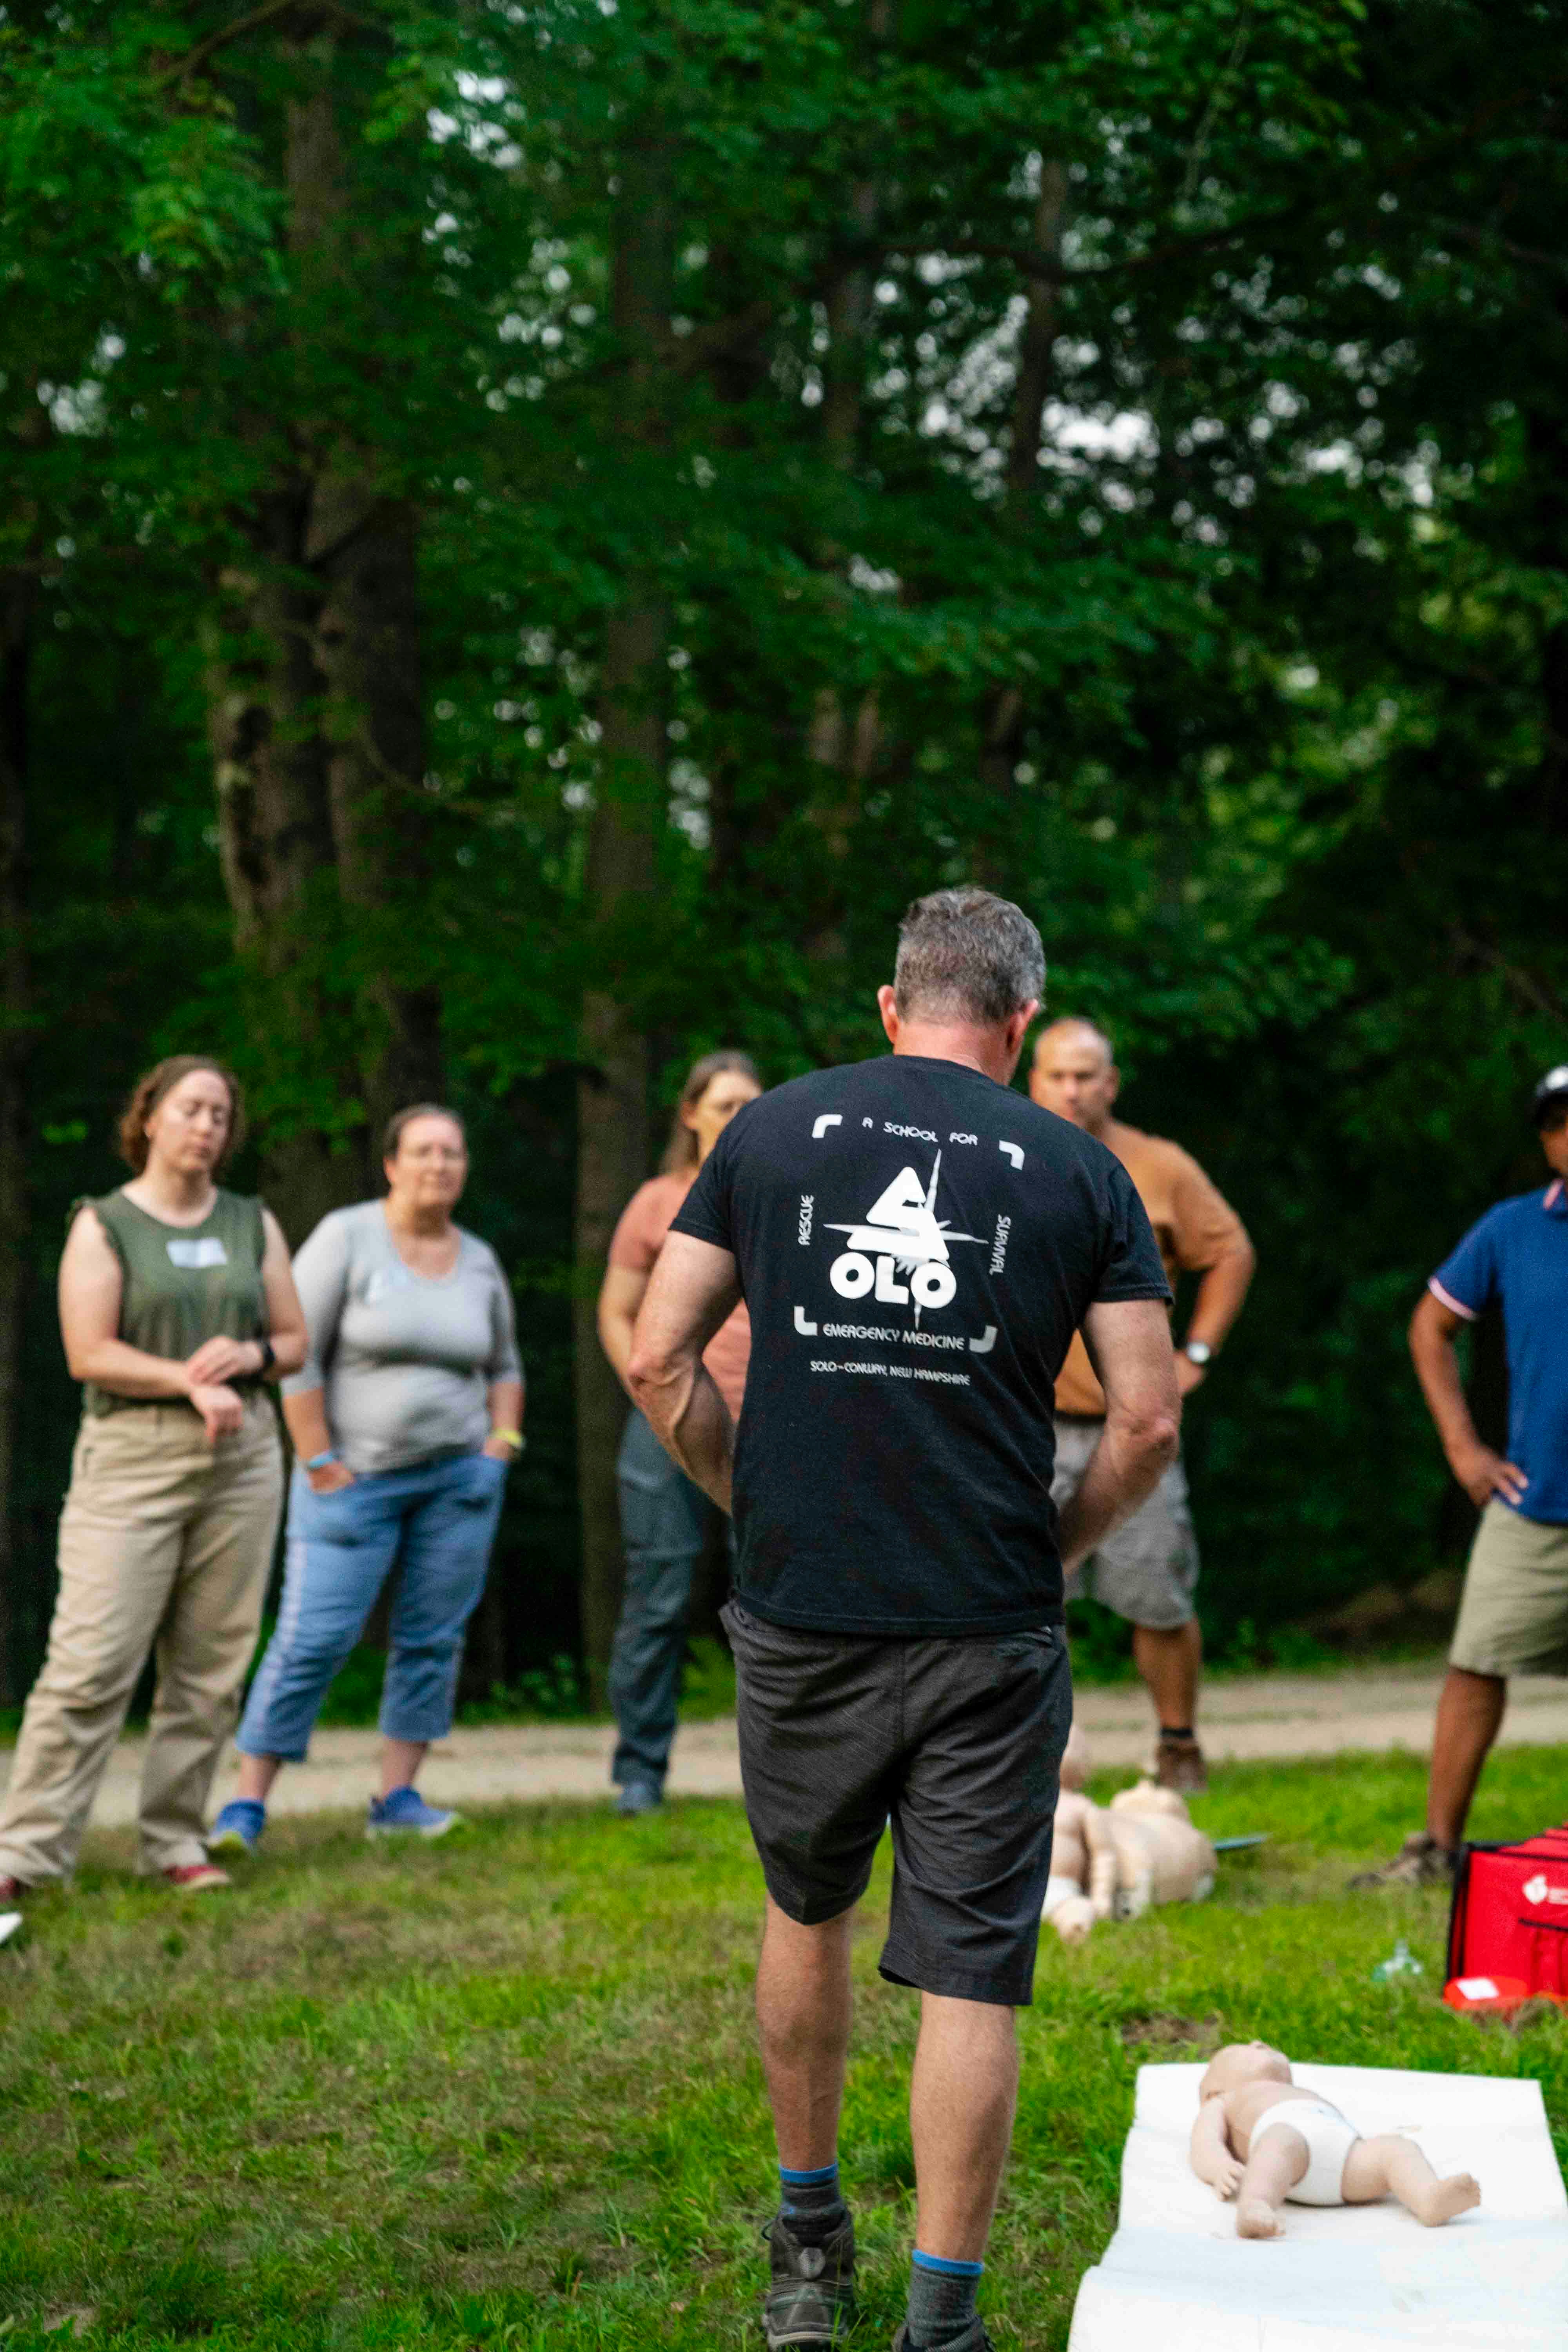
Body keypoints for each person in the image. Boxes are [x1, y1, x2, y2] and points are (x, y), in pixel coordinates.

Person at [628, 888, 1179, 2352]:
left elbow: (655, 1356)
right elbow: (1148, 1421)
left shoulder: (767, 1132)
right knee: (971, 1964)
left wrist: (751, 1499)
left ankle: (809, 2250)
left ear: (891, 1007)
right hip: (991, 1624)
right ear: (1016, 1025)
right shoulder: (1081, 1170)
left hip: (806, 1603)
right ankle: (944, 2323)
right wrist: (1055, 1545)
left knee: (807, 1908)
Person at [0, 1056, 307, 1905]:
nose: (207, 1125)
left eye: (220, 1113)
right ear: (149, 1120)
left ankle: (172, 1838)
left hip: (243, 1460)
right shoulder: (104, 1225)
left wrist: (249, 1356)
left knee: (210, 1667)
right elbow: (86, 1352)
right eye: (190, 1109)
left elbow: (293, 1340)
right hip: (133, 1458)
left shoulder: (253, 1222)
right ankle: (27, 1851)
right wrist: (186, 1380)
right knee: (92, 1662)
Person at [211, 1104, 523, 1851]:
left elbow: (504, 1363)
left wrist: (500, 1446)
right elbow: (297, 1353)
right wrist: (317, 1460)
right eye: (422, 1152)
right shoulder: (347, 1238)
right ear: (391, 1164)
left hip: (459, 1484)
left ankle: (398, 1797)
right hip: (352, 1484)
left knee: (432, 1639)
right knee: (312, 1639)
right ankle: (246, 1807)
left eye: (452, 1153)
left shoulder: (477, 1258)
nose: (438, 1166)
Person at [1352, 1063, 1568, 1889]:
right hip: (1533, 1503)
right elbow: (1429, 1325)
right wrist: (1462, 1450)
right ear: (1545, 1141)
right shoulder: (1510, 1230)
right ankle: (1436, 1851)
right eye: (1556, 1123)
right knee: (1476, 1664)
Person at [1029, 1017, 1254, 1792]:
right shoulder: (1002, 1152)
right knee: (1019, 1599)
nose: (1071, 1089)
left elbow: (1229, 1251)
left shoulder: (1158, 1165)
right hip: (1022, 1421)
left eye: (1085, 1075)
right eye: (1056, 1074)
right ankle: (1033, 1755)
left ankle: (1177, 1744)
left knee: (1157, 1593)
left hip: (1135, 1422)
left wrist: (1194, 1354)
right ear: (1031, 1078)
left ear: (1111, 1083)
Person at [597, 1051, 761, 1816]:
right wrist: (646, 1388)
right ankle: (639, 1773)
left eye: (748, 1105)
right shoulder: (654, 1201)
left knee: (772, 1600)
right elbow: (617, 1311)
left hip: (768, 1424)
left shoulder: (782, 1196)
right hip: (666, 1424)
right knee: (658, 1597)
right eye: (722, 1105)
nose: (735, 1118)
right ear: (690, 1114)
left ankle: (780, 1772)